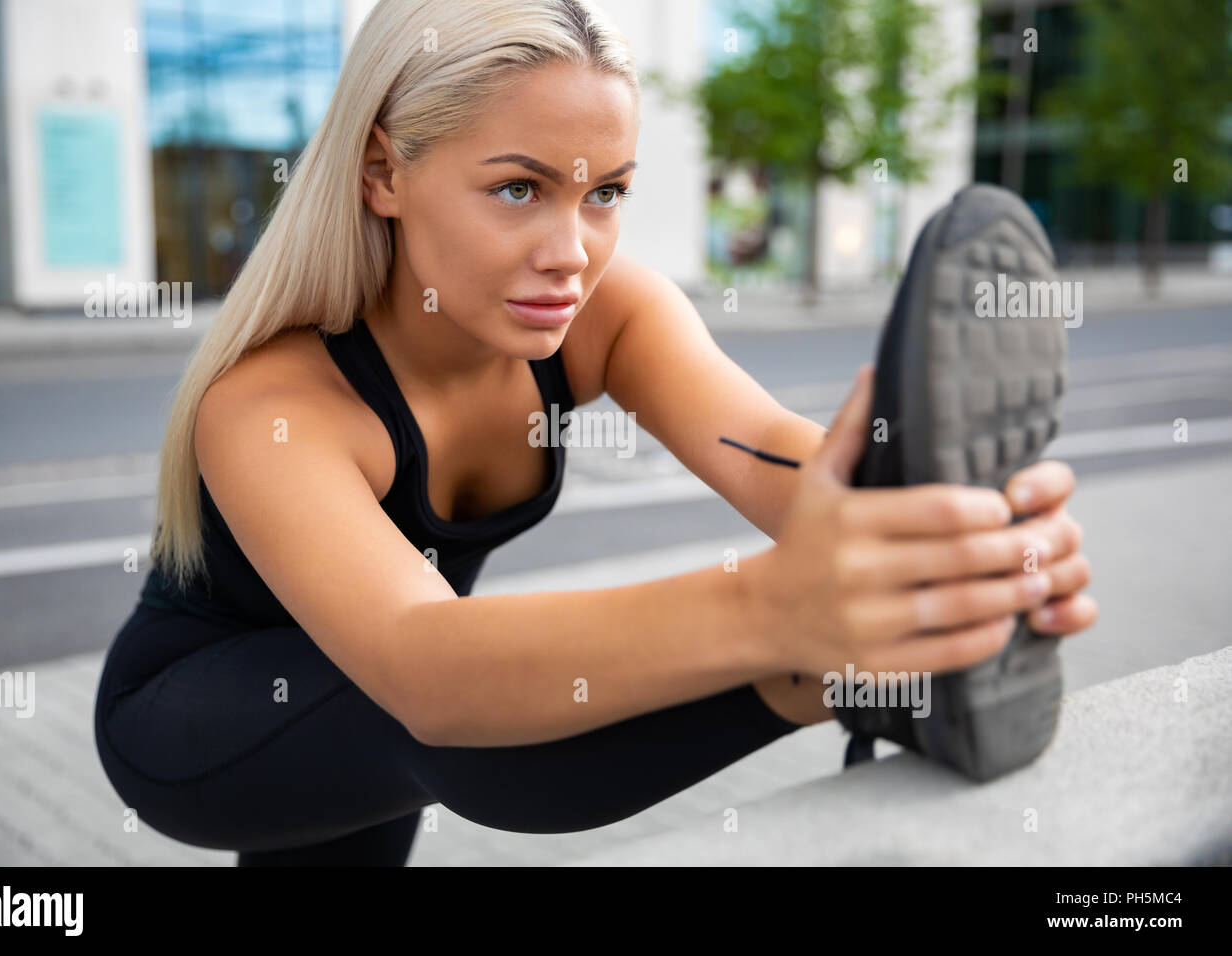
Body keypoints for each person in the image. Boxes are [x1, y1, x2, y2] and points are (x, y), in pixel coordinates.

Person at [93, 0, 1096, 866]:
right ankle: (845, 677)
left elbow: (772, 452)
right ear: (380, 172)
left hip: (395, 712)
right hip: (195, 724)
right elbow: (426, 665)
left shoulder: (602, 314)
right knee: (458, 711)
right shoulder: (273, 404)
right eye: (519, 188)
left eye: (605, 191)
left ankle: (864, 654)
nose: (572, 253)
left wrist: (950, 531)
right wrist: (792, 609)